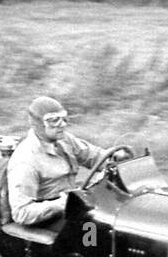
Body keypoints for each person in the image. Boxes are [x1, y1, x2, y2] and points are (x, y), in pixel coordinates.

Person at [6, 96, 118, 226]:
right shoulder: (25, 161)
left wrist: (115, 157)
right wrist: (63, 203)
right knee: (96, 232)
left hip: (71, 205)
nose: (62, 124)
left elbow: (94, 156)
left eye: (64, 118)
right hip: (49, 218)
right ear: (38, 124)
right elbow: (21, 213)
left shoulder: (64, 139)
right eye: (54, 121)